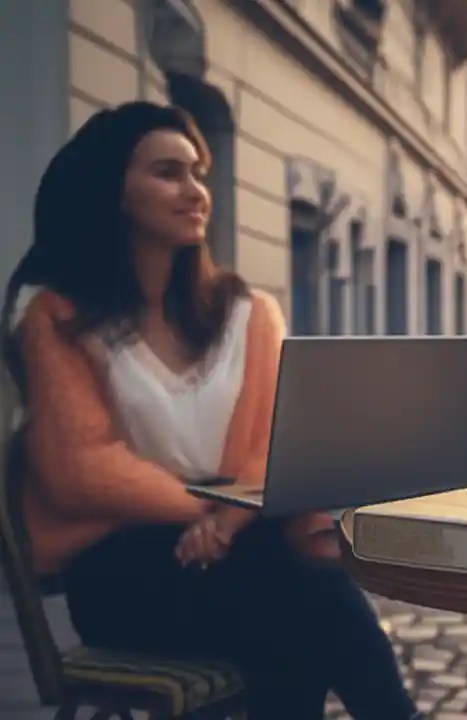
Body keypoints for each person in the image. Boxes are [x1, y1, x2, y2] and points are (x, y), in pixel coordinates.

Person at [1, 102, 421, 719]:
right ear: (111, 188)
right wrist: (213, 511)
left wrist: (227, 524)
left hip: (238, 548)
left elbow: (281, 441)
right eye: (168, 173)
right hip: (122, 568)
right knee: (304, 596)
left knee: (297, 617)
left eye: (199, 172)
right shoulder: (58, 316)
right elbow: (79, 465)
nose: (196, 191)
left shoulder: (247, 314)